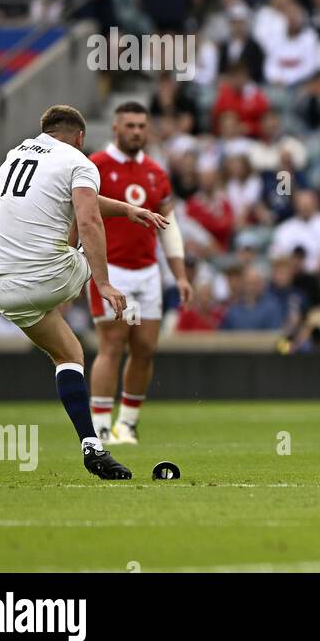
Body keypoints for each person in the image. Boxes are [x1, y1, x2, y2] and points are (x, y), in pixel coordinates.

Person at [0, 105, 167, 480]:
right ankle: (105, 290)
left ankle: (92, 445)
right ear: (81, 137)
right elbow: (86, 218)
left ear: (45, 131)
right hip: (48, 276)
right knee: (103, 254)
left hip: (1, 286)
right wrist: (102, 282)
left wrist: (126, 208)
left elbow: (74, 198)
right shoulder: (79, 162)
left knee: (69, 354)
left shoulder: (13, 156)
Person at [87, 101, 192, 445]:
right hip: (111, 269)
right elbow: (81, 216)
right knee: (112, 344)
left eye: (141, 126)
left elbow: (168, 225)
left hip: (147, 270)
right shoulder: (95, 166)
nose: (136, 132)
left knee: (145, 347)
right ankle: (100, 425)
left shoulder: (155, 171)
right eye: (130, 126)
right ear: (115, 128)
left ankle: (127, 424)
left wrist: (180, 275)